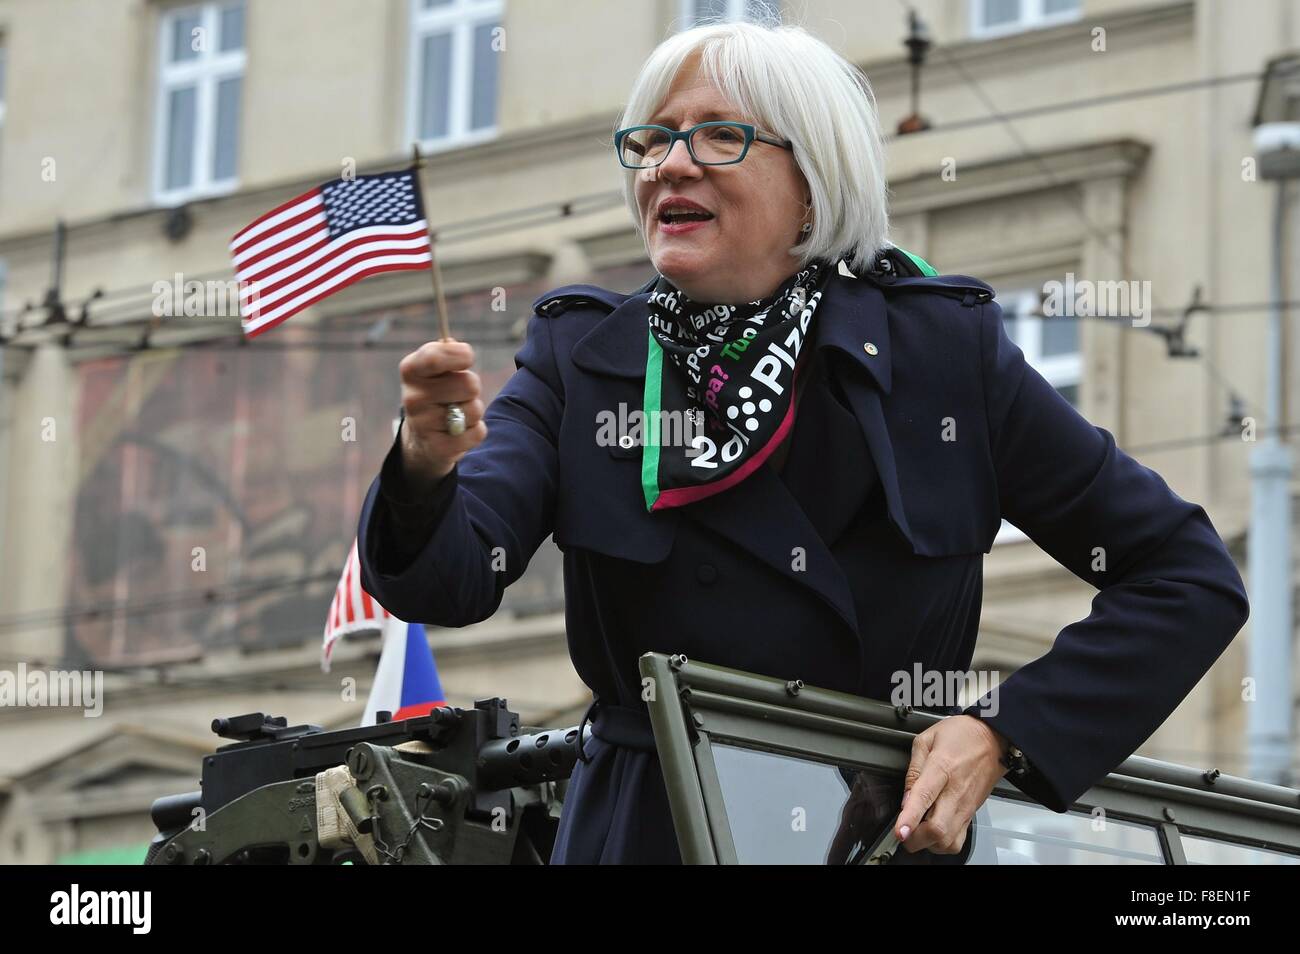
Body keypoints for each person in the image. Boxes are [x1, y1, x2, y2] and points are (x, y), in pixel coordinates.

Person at [357, 21, 1249, 864]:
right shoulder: (583, 358)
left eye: (717, 137)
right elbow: (449, 577)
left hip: (865, 837)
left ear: (812, 184)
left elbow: (1185, 575)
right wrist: (425, 465)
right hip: (645, 832)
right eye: (653, 139)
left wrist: (1003, 732)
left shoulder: (941, 353)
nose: (671, 165)